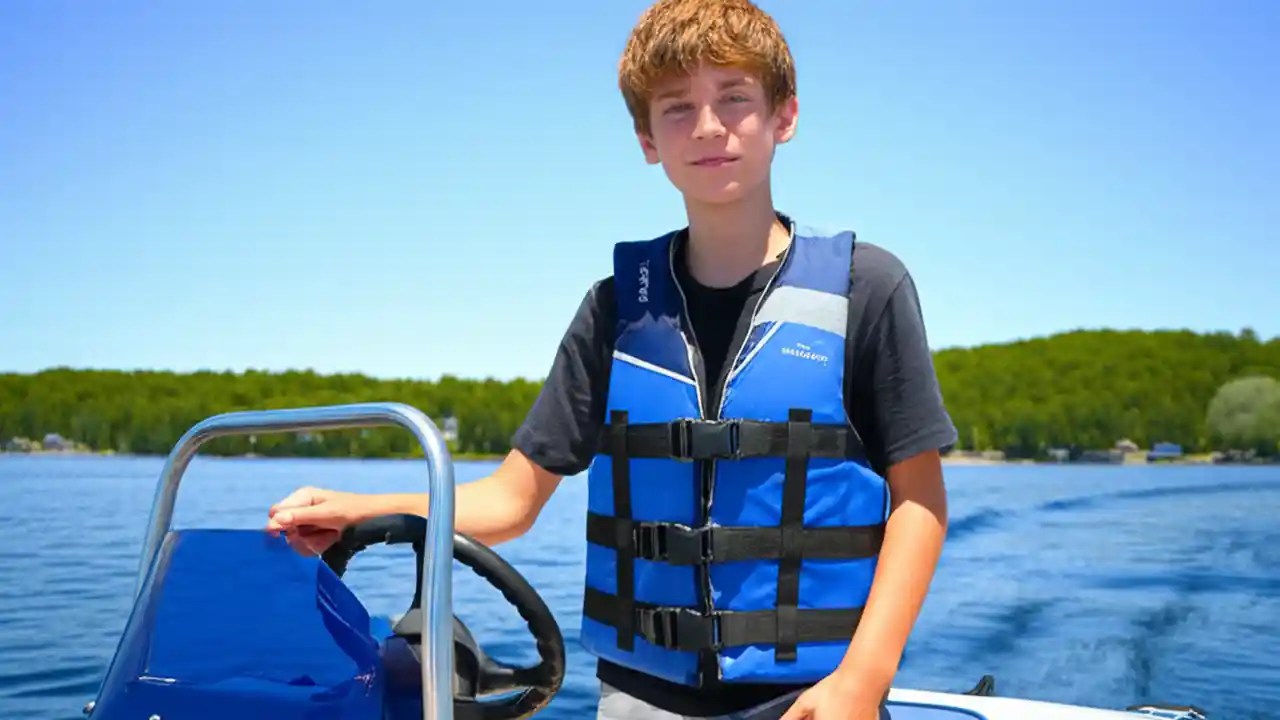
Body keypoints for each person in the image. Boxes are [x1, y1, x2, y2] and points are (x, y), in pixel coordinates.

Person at [266, 1, 955, 718]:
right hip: (638, 698)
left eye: (735, 97)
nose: (708, 126)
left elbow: (920, 501)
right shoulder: (613, 310)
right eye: (677, 107)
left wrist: (861, 681)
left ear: (785, 116)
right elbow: (512, 500)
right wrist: (360, 510)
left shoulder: (865, 289)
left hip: (814, 699)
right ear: (647, 139)